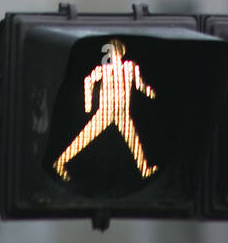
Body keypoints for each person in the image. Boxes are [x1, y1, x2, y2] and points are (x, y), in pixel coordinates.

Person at [54, 39, 158, 181]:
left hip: (122, 112)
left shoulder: (129, 68)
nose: (114, 55)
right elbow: (88, 81)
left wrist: (149, 92)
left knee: (133, 141)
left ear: (120, 53)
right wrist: (88, 104)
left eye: (115, 52)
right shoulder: (104, 69)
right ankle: (60, 162)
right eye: (112, 52)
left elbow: (139, 85)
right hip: (105, 111)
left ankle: (144, 169)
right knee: (83, 139)